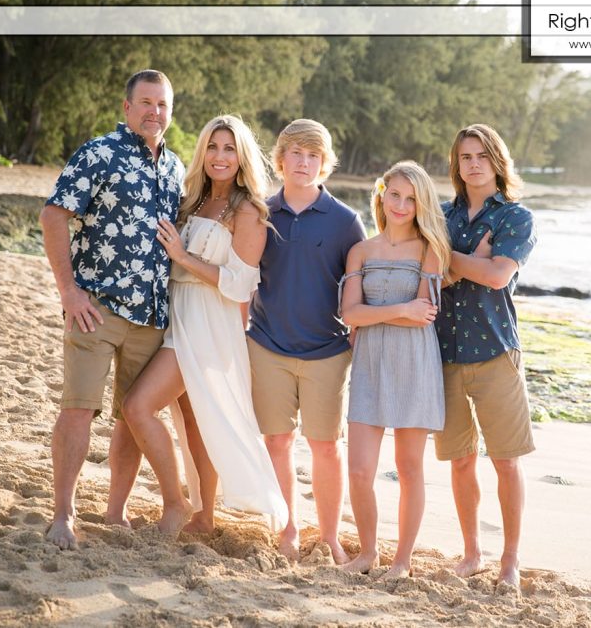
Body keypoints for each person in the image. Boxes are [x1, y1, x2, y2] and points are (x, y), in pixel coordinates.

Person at [121, 114, 288, 537]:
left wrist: (183, 258)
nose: (219, 156)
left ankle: (177, 504)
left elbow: (240, 286)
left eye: (229, 148)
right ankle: (204, 516)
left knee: (137, 407)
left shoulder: (248, 210)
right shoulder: (191, 199)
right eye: (212, 147)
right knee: (193, 421)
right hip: (175, 312)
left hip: (207, 324)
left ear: (242, 156)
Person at [40, 69, 184, 550]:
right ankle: (63, 514)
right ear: (127, 108)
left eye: (161, 104)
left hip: (152, 315)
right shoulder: (99, 153)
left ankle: (116, 511)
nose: (153, 112)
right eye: (145, 102)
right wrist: (69, 292)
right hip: (95, 309)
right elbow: (54, 214)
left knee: (129, 416)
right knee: (79, 408)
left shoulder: (176, 169)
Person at [247, 118, 365, 563]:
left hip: (328, 352)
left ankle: (330, 534)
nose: (303, 162)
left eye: (313, 155)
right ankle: (289, 528)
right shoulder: (259, 212)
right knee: (277, 441)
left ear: (325, 164)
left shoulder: (345, 222)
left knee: (324, 446)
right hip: (268, 345)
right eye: (295, 153)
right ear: (280, 161)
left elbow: (360, 285)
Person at [434, 124, 538, 588]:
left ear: (497, 160)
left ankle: (510, 560)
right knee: (459, 460)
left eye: (481, 156)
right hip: (446, 353)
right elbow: (425, 270)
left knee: (506, 461)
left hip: (496, 351)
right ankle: (472, 552)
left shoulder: (516, 218)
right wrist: (470, 259)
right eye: (464, 157)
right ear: (456, 164)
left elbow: (497, 278)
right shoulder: (440, 215)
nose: (472, 164)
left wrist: (451, 260)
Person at [338, 161, 450, 578]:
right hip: (369, 364)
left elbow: (425, 317)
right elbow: (349, 313)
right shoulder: (361, 251)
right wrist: (402, 307)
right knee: (360, 469)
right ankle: (368, 553)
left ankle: (401, 562)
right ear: (382, 194)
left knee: (409, 467)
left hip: (414, 364)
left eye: (411, 198)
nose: (401, 205)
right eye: (395, 195)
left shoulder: (430, 250)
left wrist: (375, 314)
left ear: (421, 204)